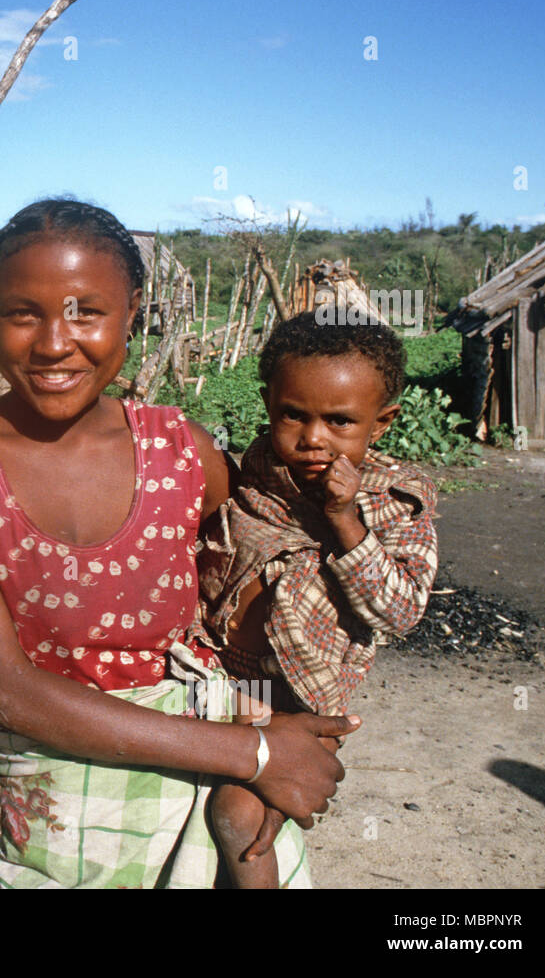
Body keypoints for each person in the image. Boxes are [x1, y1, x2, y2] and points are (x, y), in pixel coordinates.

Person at [0, 198, 359, 888]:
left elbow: (268, 576)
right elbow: (7, 692)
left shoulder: (184, 451)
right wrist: (257, 754)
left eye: (87, 310)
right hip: (70, 808)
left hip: (217, 786)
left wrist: (278, 731)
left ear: (133, 311)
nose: (54, 342)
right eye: (24, 312)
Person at [196, 312, 439, 888]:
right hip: (224, 680)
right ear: (268, 403)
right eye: (293, 415)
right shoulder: (253, 474)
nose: (312, 439)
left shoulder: (394, 502)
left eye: (339, 421)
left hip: (308, 700)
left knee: (237, 814)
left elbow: (401, 612)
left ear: (381, 423)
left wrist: (344, 521)